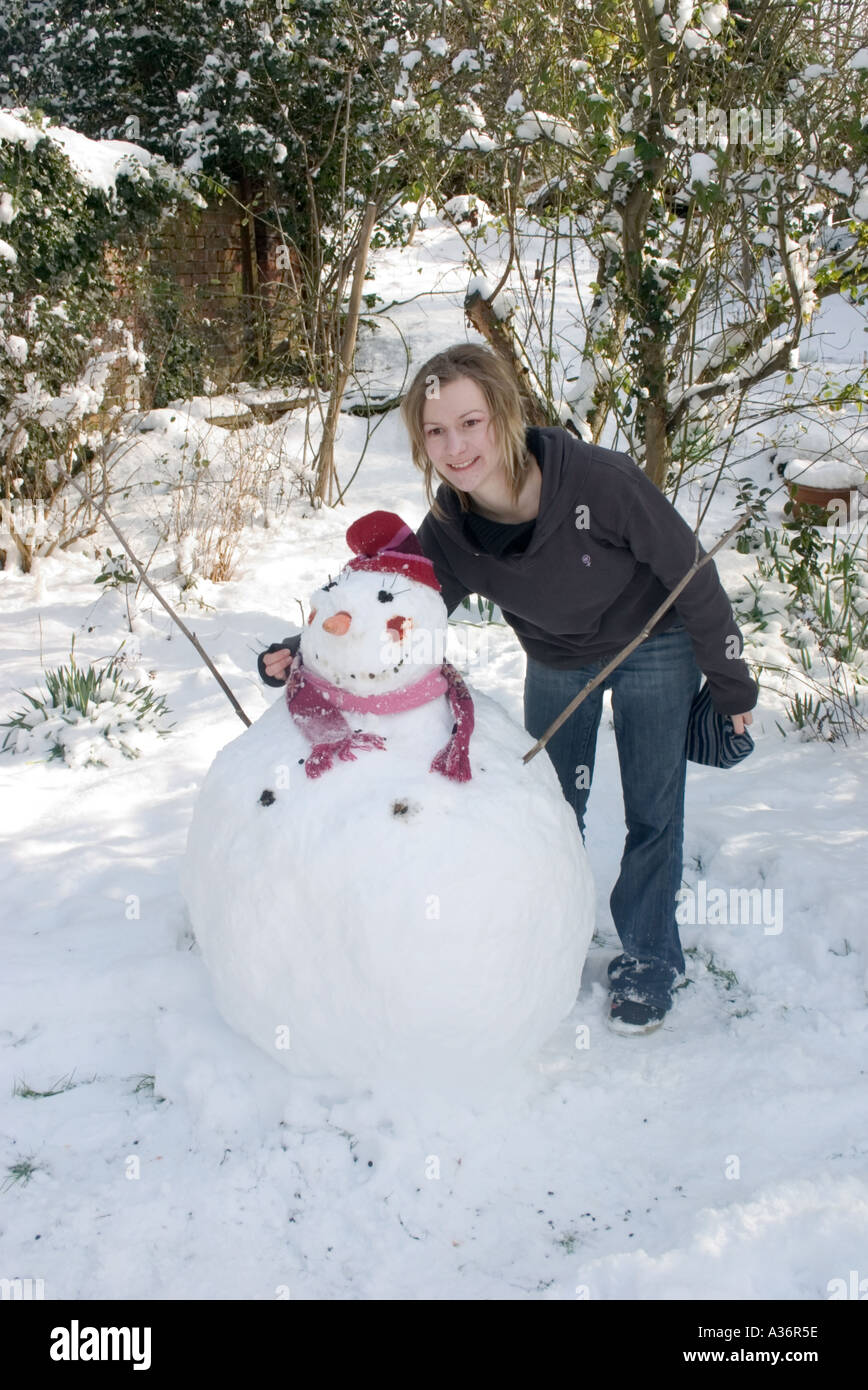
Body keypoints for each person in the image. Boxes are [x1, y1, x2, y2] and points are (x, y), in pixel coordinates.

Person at [260, 342, 757, 1036]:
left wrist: (732, 688)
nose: (455, 445)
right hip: (557, 660)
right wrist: (307, 652)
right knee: (551, 804)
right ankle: (546, 942)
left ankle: (649, 957)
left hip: (654, 645)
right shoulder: (452, 530)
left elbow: (692, 577)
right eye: (435, 430)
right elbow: (397, 609)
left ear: (506, 414)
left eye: (471, 422)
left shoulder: (601, 483)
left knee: (653, 810)